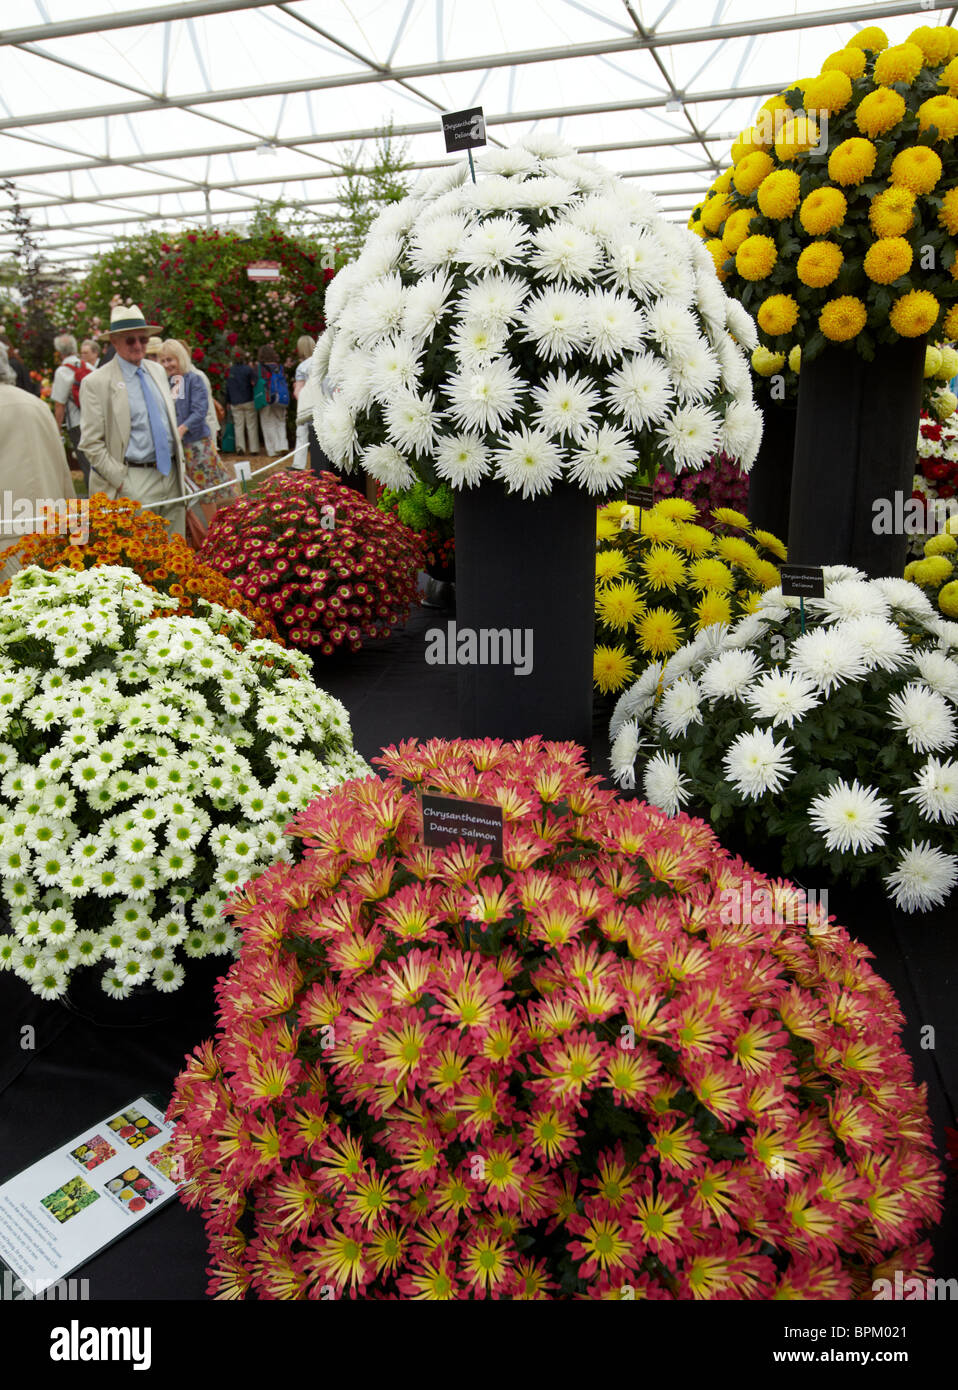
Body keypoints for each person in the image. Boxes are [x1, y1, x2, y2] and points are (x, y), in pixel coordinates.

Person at [78, 304, 186, 538]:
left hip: (171, 475)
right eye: (130, 340)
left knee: (176, 554)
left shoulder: (157, 371)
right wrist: (121, 481)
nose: (138, 345)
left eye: (142, 339)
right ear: (114, 342)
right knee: (142, 558)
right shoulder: (96, 382)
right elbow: (90, 443)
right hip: (133, 478)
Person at [0, 343, 77, 572]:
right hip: (50, 528)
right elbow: (64, 472)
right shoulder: (38, 405)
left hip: (8, 535)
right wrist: (75, 528)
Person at [158, 337, 235, 534]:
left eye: (171, 360)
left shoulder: (194, 379)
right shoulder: (166, 383)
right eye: (163, 360)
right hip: (177, 447)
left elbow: (199, 411)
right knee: (186, 494)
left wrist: (182, 429)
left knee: (208, 493)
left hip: (197, 446)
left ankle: (216, 534)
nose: (167, 364)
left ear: (180, 358)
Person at [50, 332, 92, 484]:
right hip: (94, 419)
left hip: (76, 422)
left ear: (60, 352)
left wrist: (57, 430)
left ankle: (93, 500)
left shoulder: (62, 372)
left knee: (85, 463)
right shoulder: (87, 366)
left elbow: (59, 405)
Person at [256, 343, 289, 456]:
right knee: (280, 421)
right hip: (279, 397)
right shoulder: (279, 367)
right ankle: (283, 445)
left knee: (268, 423)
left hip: (266, 398)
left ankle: (273, 449)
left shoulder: (260, 368)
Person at [225, 349, 259, 454]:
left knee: (238, 426)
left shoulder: (230, 371)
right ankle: (254, 449)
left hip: (235, 401)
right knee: (251, 425)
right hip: (248, 399)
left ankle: (240, 448)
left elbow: (228, 387)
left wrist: (228, 401)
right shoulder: (248, 369)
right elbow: (255, 382)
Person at [292, 334, 316, 469]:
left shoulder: (302, 366)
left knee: (302, 434)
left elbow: (299, 392)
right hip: (323, 404)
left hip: (307, 406)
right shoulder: (323, 361)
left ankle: (298, 465)